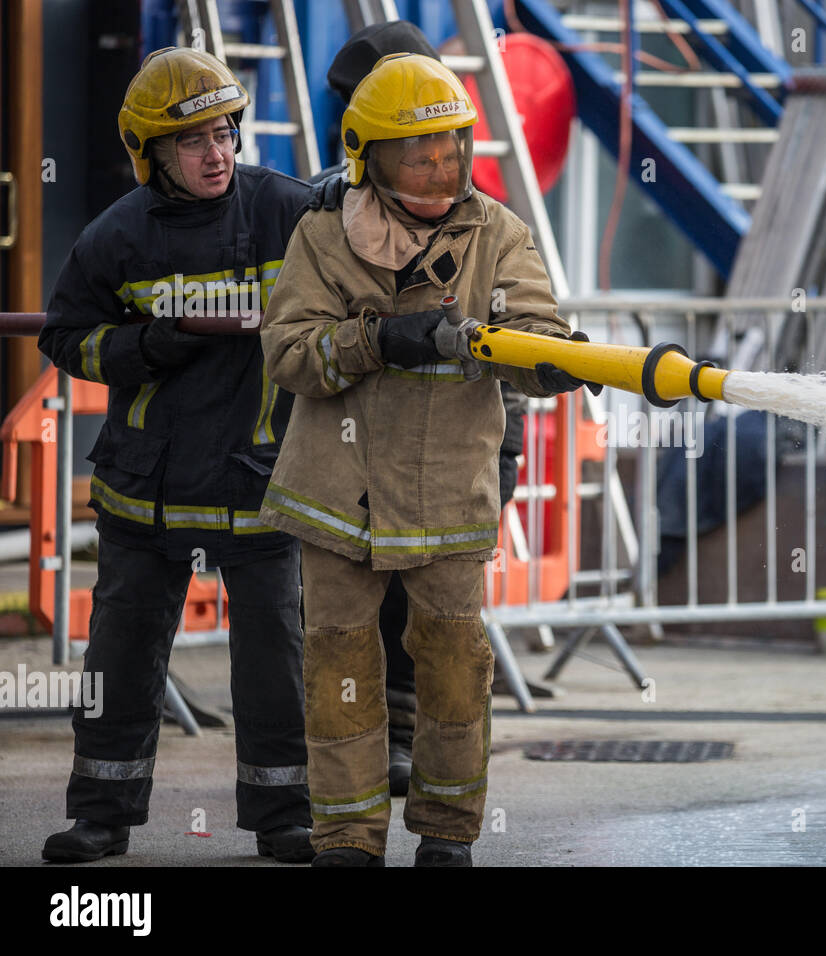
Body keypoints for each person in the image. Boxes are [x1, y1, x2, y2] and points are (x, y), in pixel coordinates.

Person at [258, 52, 586, 867]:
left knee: (454, 670)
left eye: (451, 149)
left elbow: (531, 330)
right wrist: (377, 339)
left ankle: (446, 834)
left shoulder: (498, 235)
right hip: (339, 497)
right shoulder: (322, 236)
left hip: (447, 496)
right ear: (369, 156)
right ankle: (346, 838)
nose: (441, 169)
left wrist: (551, 361)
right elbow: (290, 355)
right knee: (338, 670)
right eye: (419, 155)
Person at [38, 47, 314, 864]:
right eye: (193, 141)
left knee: (274, 663)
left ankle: (283, 817)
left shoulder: (289, 211)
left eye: (224, 132)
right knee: (120, 660)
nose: (216, 152)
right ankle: (100, 816)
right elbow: (66, 336)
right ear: (150, 154)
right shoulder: (116, 236)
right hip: (145, 493)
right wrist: (140, 349)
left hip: (258, 484)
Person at [309, 20, 531, 799]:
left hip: (448, 453)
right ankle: (355, 772)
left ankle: (416, 763)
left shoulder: (481, 222)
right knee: (349, 616)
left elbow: (512, 338)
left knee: (436, 623)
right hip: (354, 457)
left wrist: (504, 454)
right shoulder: (323, 215)